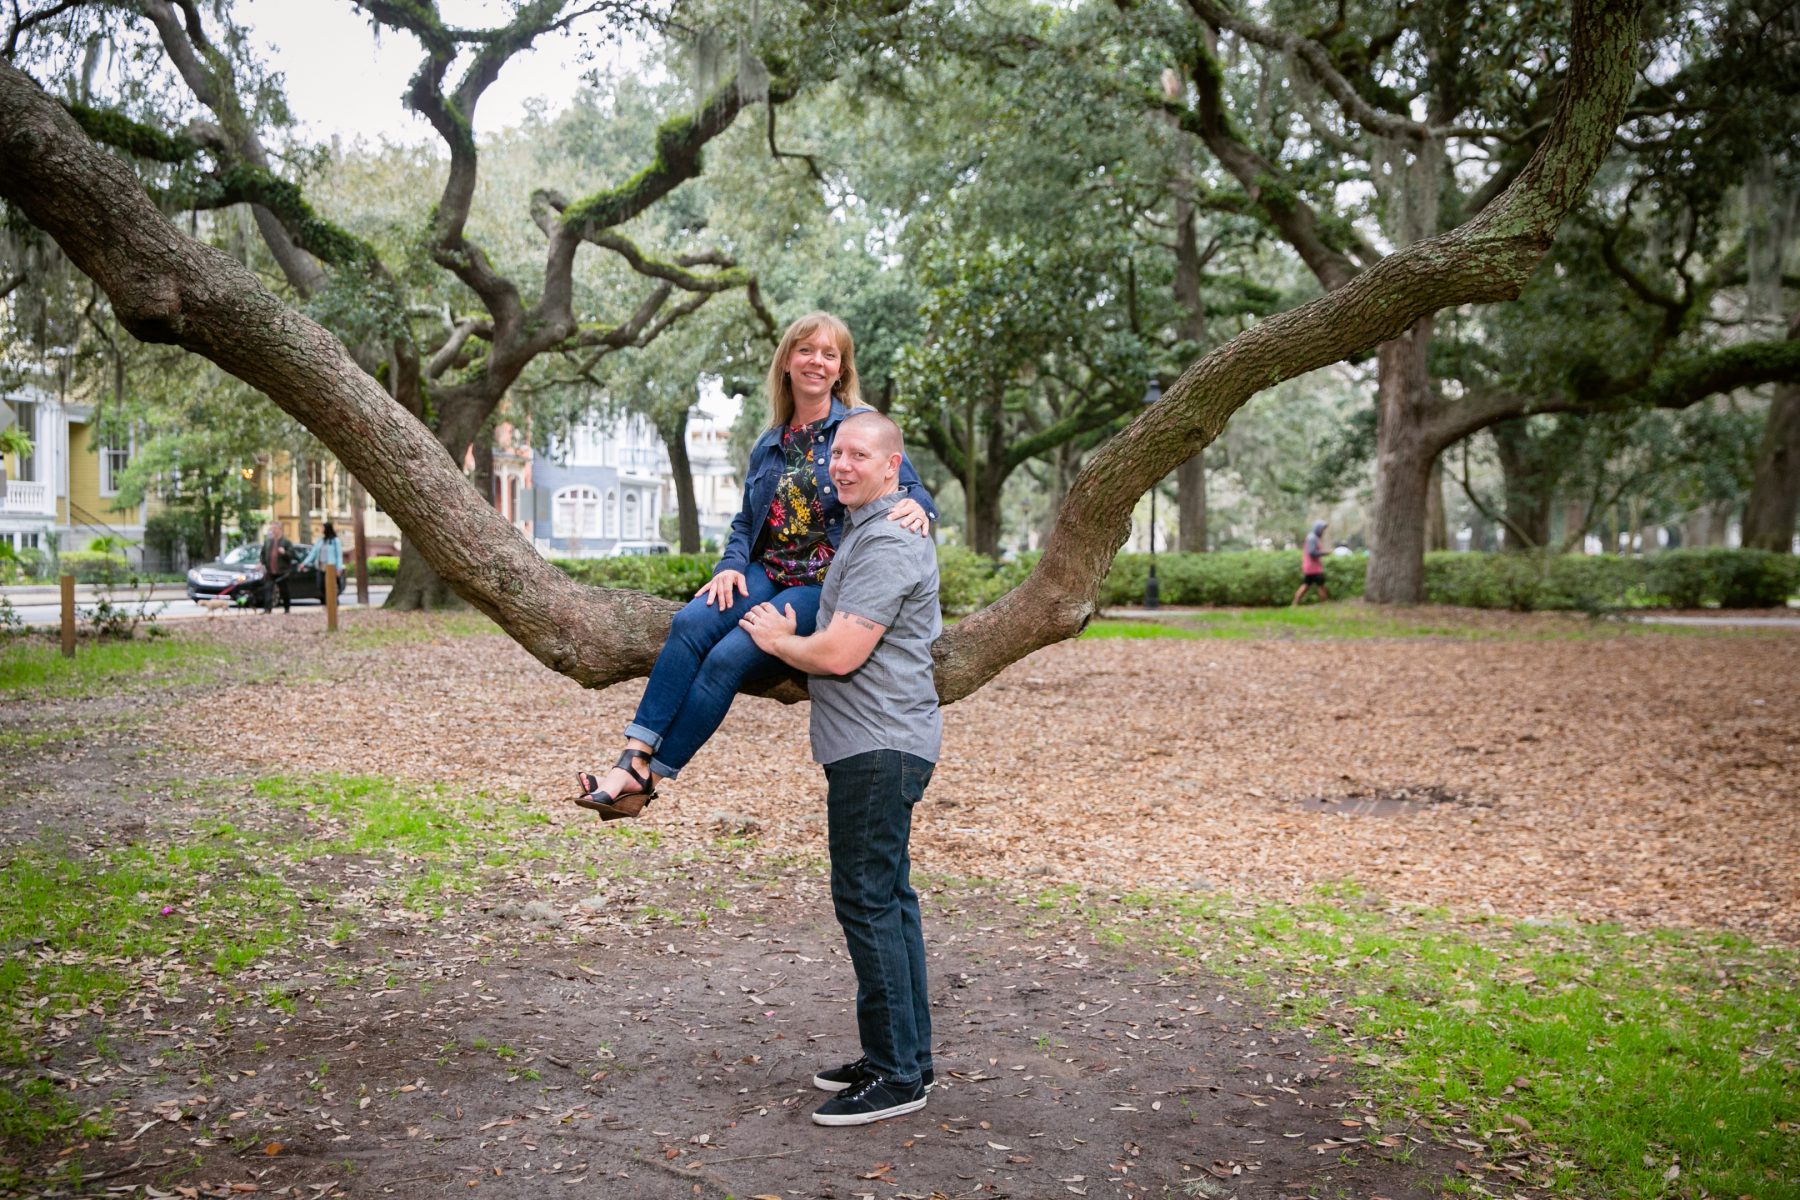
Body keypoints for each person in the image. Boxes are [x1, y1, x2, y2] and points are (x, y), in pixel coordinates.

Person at [572, 312, 937, 818]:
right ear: (788, 361)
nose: (817, 361)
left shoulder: (855, 427)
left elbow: (909, 483)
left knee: (729, 657)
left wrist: (921, 506)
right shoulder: (770, 443)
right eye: (807, 350)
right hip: (769, 568)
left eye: (830, 354)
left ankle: (646, 778)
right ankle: (634, 751)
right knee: (690, 622)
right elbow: (746, 522)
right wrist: (730, 565)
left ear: (841, 370)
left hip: (823, 580)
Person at [739, 409, 941, 1127]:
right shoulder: (870, 528)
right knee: (890, 898)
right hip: (879, 740)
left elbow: (840, 655)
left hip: (878, 746)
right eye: (838, 454)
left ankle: (896, 1075)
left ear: (895, 467)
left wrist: (774, 636)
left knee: (865, 899)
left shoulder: (887, 540)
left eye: (861, 455)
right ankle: (903, 1055)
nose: (843, 465)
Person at [259, 522, 294, 614]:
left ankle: (287, 608)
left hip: (282, 571)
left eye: (274, 528)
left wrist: (284, 553)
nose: (272, 530)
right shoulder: (268, 541)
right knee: (268, 589)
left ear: (279, 529)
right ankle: (267, 609)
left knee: (284, 590)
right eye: (271, 529)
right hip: (270, 570)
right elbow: (263, 554)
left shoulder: (286, 542)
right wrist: (261, 562)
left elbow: (292, 555)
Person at [1292, 519, 1329, 605]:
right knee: (1319, 584)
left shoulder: (1313, 537)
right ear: (1318, 528)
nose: (1323, 531)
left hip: (1311, 567)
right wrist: (1325, 553)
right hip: (1313, 567)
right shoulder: (1312, 538)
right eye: (1322, 529)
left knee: (1307, 584)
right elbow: (1312, 552)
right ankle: (1325, 603)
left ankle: (1294, 603)